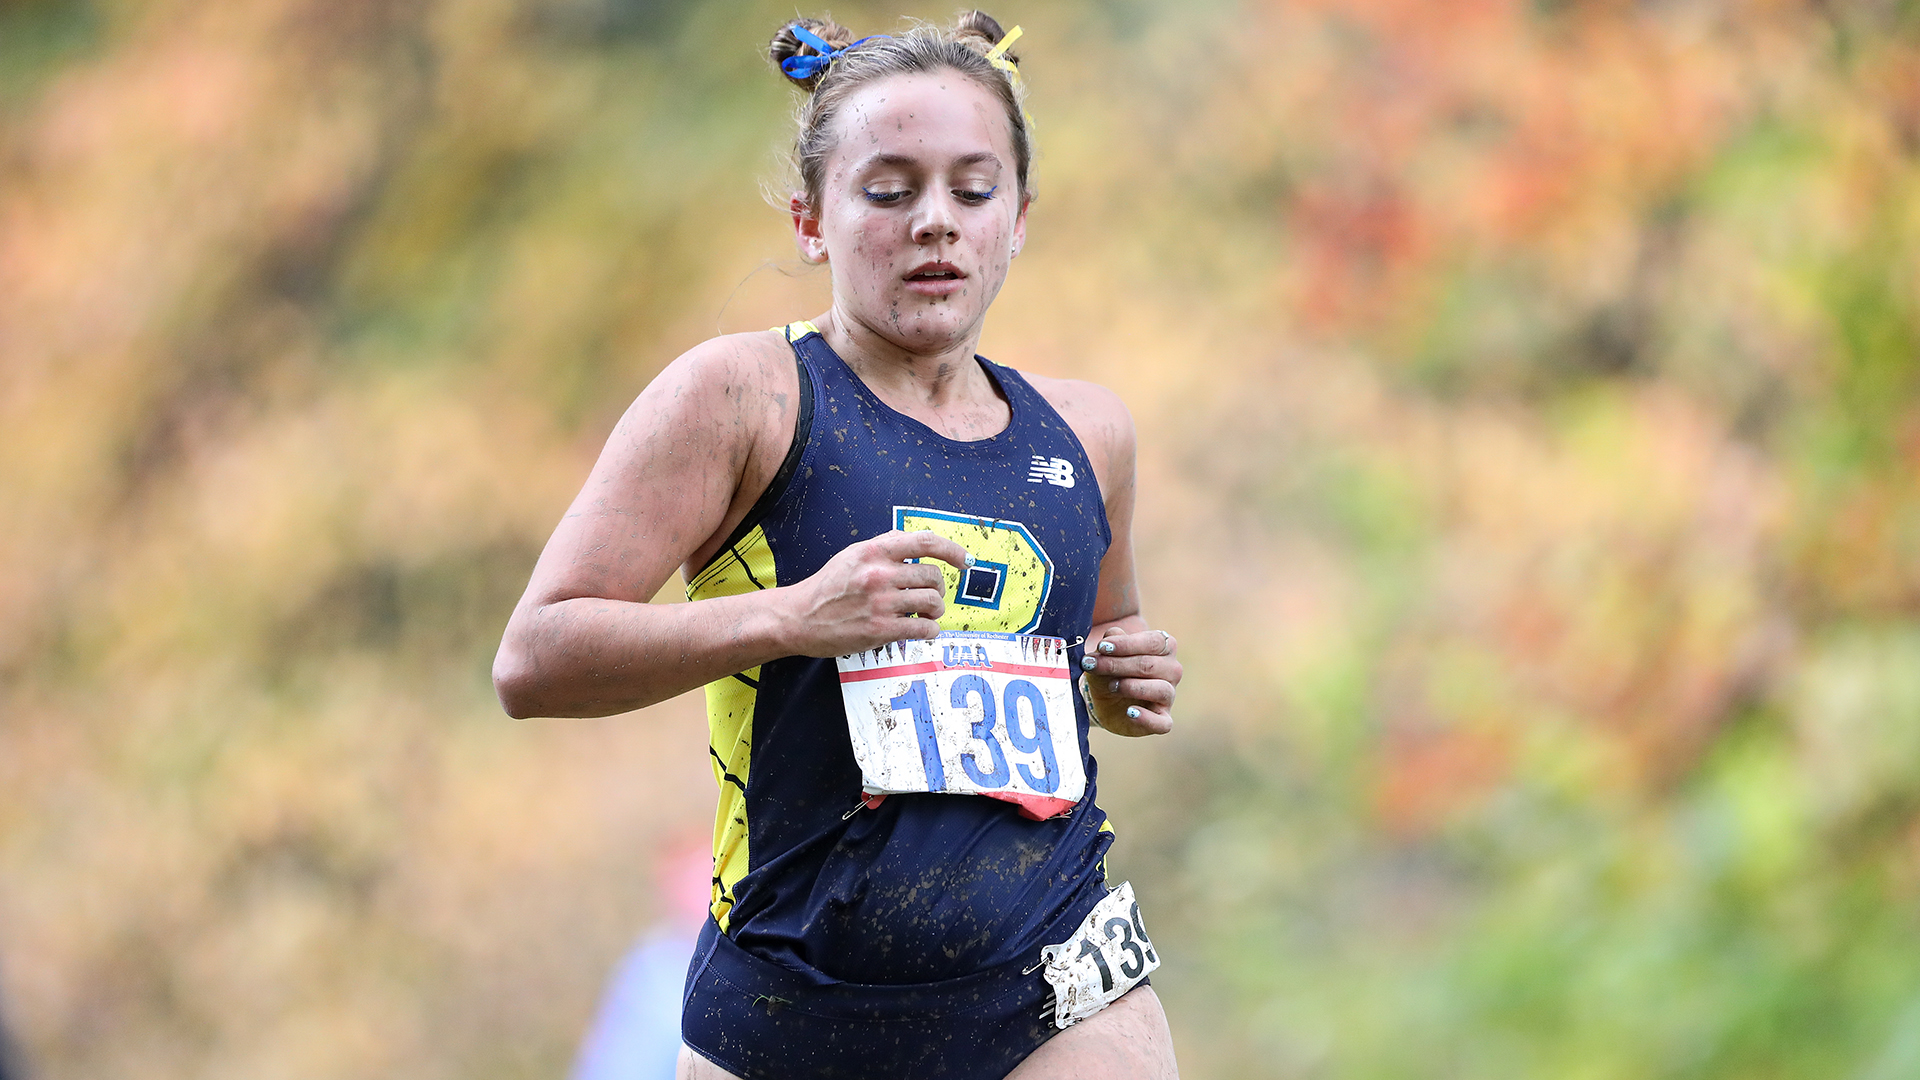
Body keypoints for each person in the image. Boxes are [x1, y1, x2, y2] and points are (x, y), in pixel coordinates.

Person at [493, 12, 1182, 1079]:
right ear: (812, 220)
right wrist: (789, 617)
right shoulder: (741, 397)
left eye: (973, 188)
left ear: (1021, 217)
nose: (936, 223)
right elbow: (535, 660)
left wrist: (1126, 681)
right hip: (792, 1004)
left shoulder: (1090, 433)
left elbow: (1106, 644)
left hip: (1053, 982)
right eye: (890, 190)